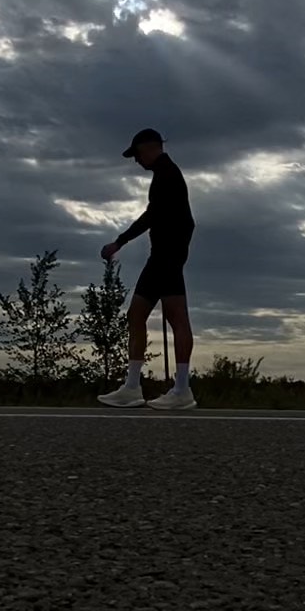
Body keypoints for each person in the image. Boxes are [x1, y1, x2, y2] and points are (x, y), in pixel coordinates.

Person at [98, 128, 196, 411]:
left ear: (150, 148)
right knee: (136, 314)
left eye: (137, 154)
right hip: (161, 255)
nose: (136, 161)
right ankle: (131, 387)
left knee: (176, 318)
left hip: (167, 255)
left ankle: (182, 390)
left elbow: (157, 216)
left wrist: (120, 241)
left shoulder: (168, 174)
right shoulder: (163, 175)